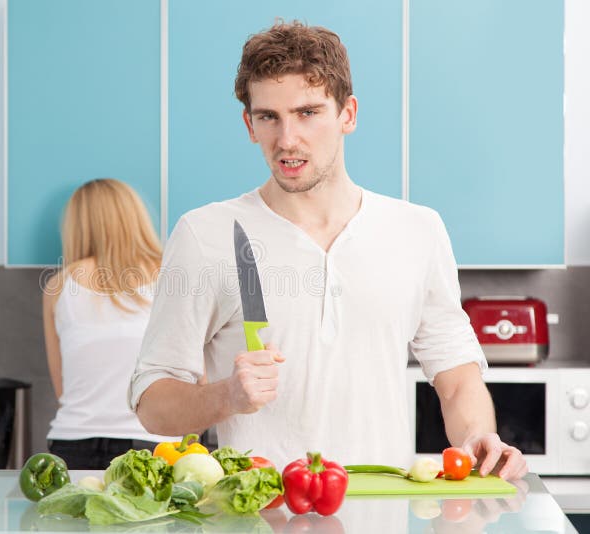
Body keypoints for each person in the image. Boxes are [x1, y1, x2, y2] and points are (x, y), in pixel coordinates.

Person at [130, 21, 528, 480]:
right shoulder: (207, 234)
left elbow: (457, 379)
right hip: (259, 511)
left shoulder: (417, 230)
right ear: (249, 124)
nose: (287, 139)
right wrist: (227, 398)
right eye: (268, 117)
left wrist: (477, 436)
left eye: (308, 113)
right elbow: (151, 402)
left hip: (382, 509)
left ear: (348, 114)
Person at [42, 178, 177, 469]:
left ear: (77, 226)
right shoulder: (170, 275)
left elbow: (63, 388)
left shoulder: (58, 286)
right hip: (154, 444)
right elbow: (195, 376)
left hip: (72, 444)